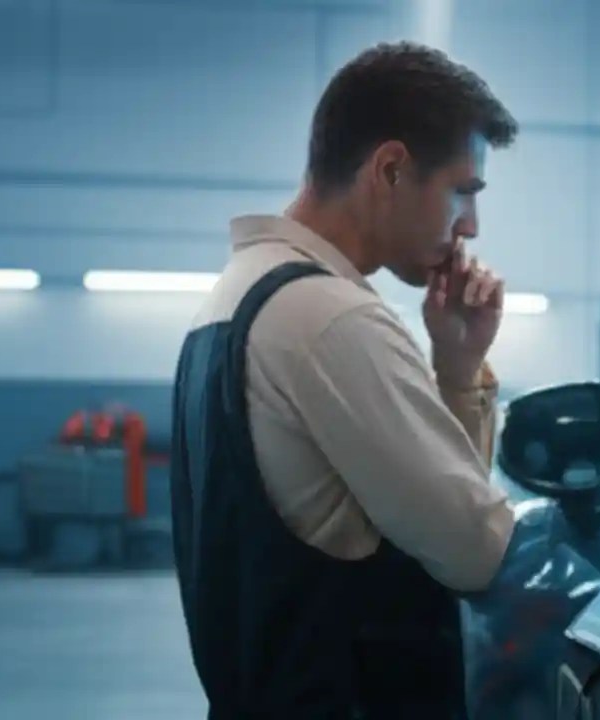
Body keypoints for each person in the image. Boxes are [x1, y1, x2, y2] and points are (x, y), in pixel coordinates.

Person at [169, 42, 520, 719]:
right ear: (390, 169)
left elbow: (413, 516)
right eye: (462, 191)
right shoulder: (330, 318)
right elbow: (475, 553)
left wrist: (456, 368)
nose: (471, 225)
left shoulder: (230, 302)